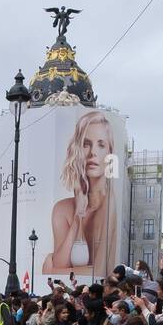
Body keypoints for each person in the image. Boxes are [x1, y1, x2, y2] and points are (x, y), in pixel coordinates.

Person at [43, 112, 117, 281]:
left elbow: (100, 272)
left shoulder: (110, 202)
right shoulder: (62, 209)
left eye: (101, 145)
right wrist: (78, 216)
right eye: (86, 144)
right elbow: (62, 263)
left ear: (110, 152)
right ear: (78, 150)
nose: (93, 153)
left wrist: (49, 268)